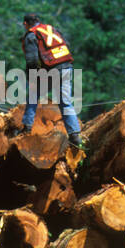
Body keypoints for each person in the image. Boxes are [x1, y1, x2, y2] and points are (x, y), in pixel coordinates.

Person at [21, 13, 82, 149]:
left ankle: (26, 128)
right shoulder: (51, 29)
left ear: (26, 24)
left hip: (51, 69)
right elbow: (66, 44)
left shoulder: (31, 35)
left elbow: (31, 60)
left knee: (33, 95)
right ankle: (75, 136)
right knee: (66, 102)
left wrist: (32, 77)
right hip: (67, 66)